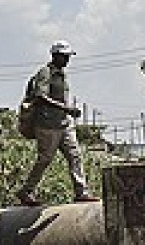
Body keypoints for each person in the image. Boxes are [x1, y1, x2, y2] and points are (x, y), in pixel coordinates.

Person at [16, 40, 98, 206]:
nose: (67, 60)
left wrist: (66, 113)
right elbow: (40, 96)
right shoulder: (45, 73)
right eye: (65, 57)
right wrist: (67, 109)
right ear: (56, 56)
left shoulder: (61, 74)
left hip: (63, 124)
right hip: (47, 124)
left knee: (75, 155)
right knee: (45, 159)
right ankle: (26, 191)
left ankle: (81, 192)